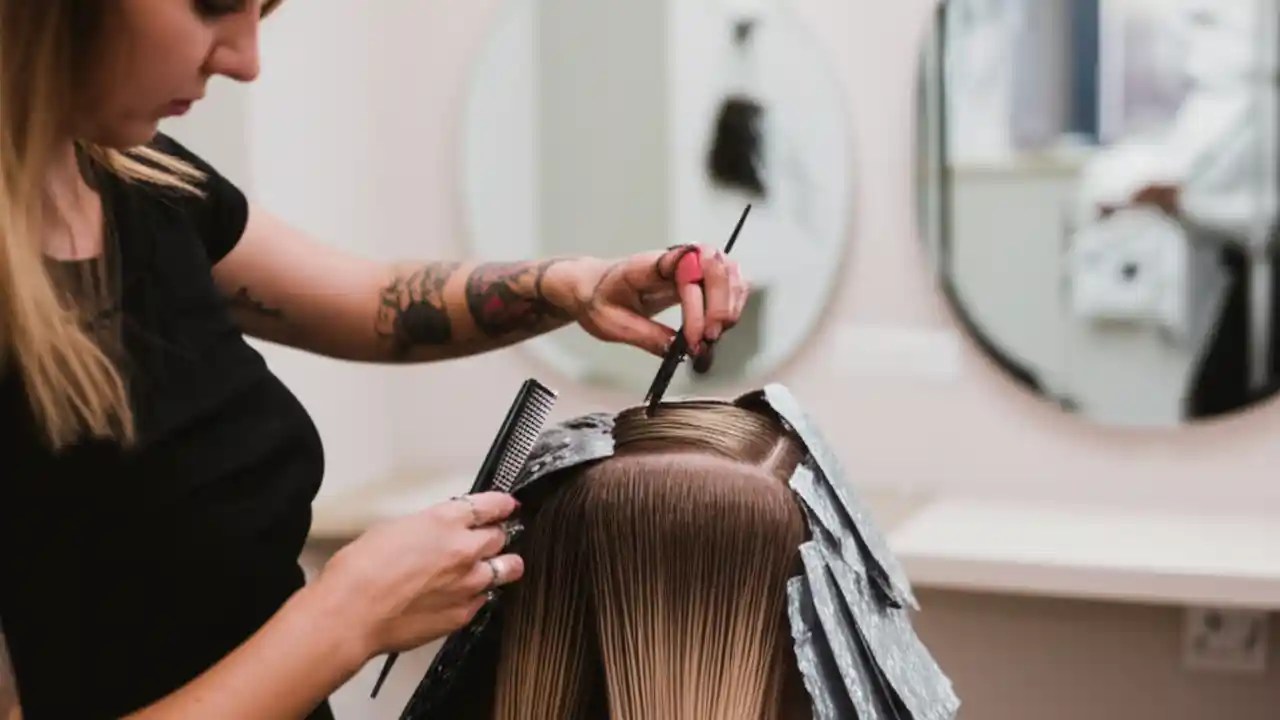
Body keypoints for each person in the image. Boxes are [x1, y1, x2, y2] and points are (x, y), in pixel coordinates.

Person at [0, 2, 749, 719]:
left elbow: (376, 304)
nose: (246, 62)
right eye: (212, 3)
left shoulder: (145, 182)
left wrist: (573, 285)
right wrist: (346, 618)